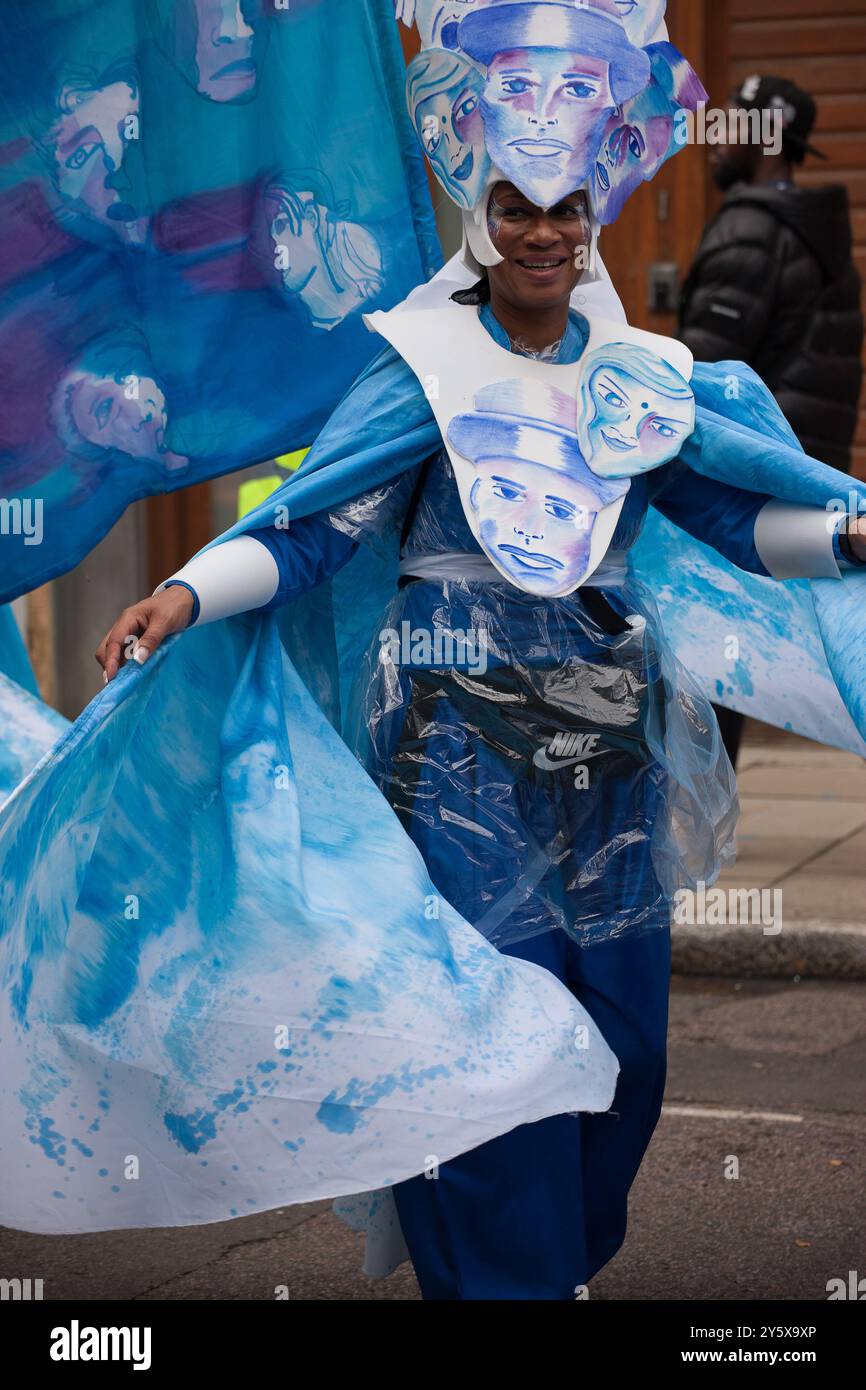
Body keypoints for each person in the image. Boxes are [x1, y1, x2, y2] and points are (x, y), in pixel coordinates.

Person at [88, 177, 866, 1298]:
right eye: (513, 207)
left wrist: (841, 532)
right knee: (491, 1034)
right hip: (455, 745)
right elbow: (315, 522)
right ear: (476, 221)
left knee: (625, 1045)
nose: (541, 232)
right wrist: (185, 591)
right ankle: (507, 1282)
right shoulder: (422, 369)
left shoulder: (636, 375)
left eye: (564, 208)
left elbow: (733, 518)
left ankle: (541, 1257)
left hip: (607, 748)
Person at [678, 74, 864, 765]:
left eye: (728, 126)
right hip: (801, 472)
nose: (711, 141)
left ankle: (702, 799)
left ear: (765, 139)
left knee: (710, 640)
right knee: (746, 643)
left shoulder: (749, 231)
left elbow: (700, 388)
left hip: (741, 481)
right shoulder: (821, 236)